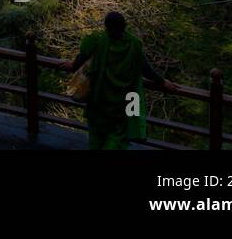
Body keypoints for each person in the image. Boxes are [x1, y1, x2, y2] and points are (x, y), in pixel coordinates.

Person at [64, 11, 178, 150]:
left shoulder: (96, 40)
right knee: (117, 135)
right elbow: (145, 69)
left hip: (98, 98)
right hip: (121, 102)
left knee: (96, 134)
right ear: (124, 26)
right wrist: (162, 82)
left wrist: (72, 65)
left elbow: (80, 59)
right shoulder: (133, 44)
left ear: (106, 27)